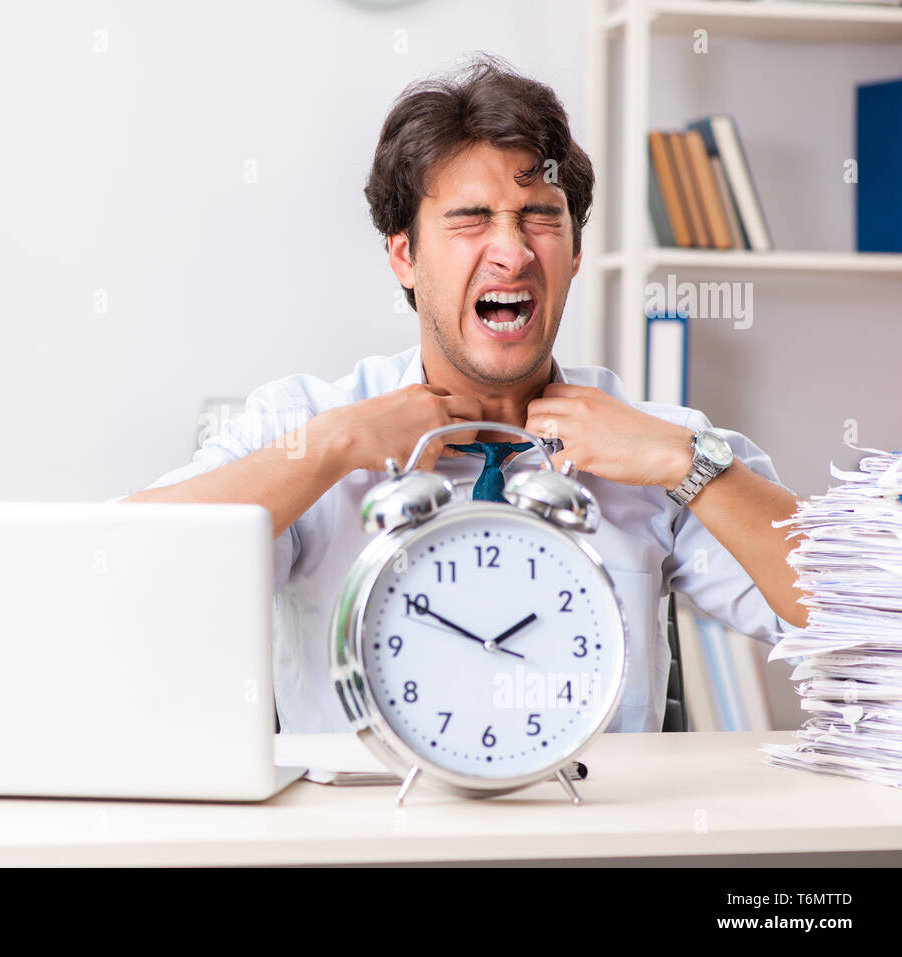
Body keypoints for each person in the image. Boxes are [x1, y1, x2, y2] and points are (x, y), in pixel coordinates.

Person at [121, 55, 808, 735]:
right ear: (405, 257)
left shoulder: (661, 444)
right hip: (368, 838)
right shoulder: (307, 425)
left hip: (588, 833)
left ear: (572, 253)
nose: (512, 252)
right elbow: (119, 569)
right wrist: (331, 450)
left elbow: (858, 618)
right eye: (472, 218)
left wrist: (688, 464)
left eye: (540, 216)